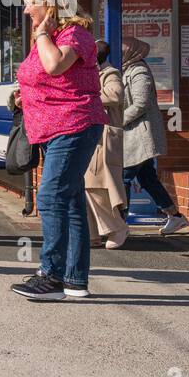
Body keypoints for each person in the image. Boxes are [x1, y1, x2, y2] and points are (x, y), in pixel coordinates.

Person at [10, 0, 107, 301]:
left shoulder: (75, 34)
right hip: (54, 129)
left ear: (50, 5)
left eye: (30, 2)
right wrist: (27, 96)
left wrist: (40, 33)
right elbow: (44, 76)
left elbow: (54, 66)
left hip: (74, 125)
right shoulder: (52, 36)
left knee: (51, 196)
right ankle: (75, 280)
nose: (26, 11)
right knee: (71, 202)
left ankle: (50, 277)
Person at [120, 37, 189, 235]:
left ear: (130, 52)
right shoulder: (127, 70)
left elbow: (140, 104)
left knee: (123, 177)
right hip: (132, 135)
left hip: (140, 135)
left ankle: (119, 223)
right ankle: (175, 216)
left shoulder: (139, 71)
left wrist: (118, 120)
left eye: (122, 50)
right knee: (147, 178)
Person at [83, 40, 128, 249]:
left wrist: (86, 96)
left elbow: (117, 94)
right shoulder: (90, 72)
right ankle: (92, 234)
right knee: (85, 185)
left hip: (105, 137)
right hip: (92, 135)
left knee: (97, 185)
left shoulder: (110, 73)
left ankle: (117, 227)